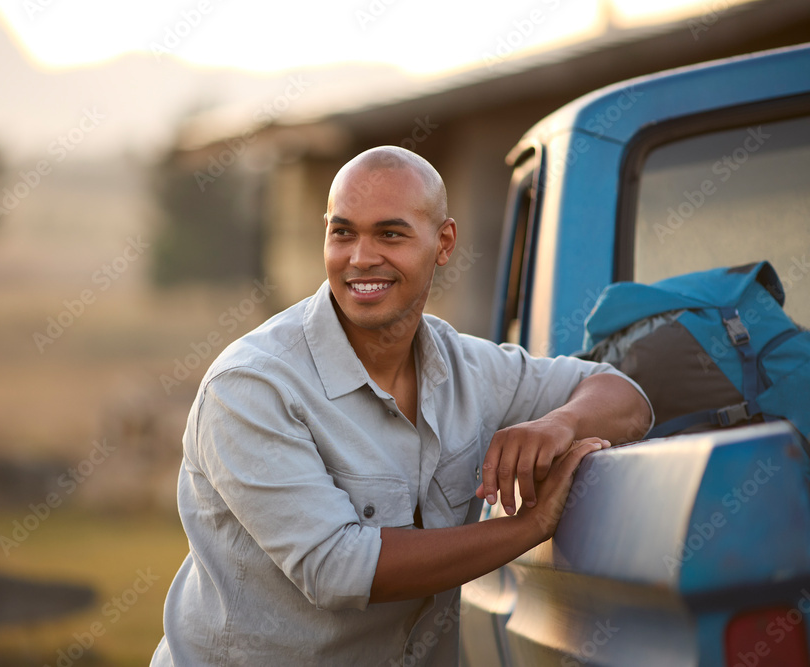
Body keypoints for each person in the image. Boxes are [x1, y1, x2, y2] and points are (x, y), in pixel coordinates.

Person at [151, 146, 653, 666]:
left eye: (390, 234)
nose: (361, 257)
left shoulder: (468, 368)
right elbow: (337, 569)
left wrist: (559, 424)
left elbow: (623, 395)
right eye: (343, 232)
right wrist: (527, 528)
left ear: (444, 242)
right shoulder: (251, 386)